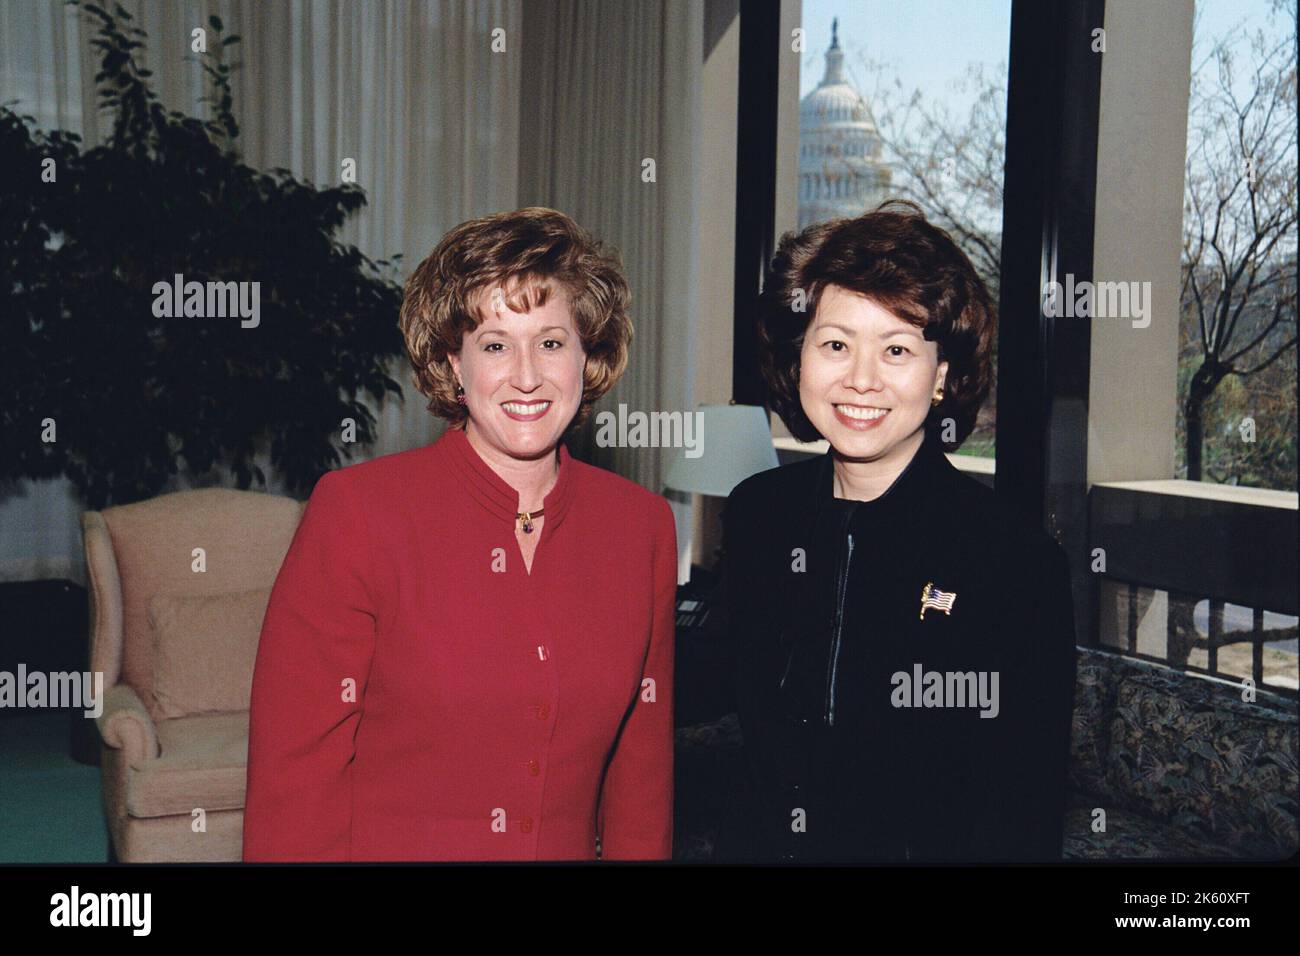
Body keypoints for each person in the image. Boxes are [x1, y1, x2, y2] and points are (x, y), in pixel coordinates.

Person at [243, 207, 676, 861]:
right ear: (454, 362)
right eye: (495, 344)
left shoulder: (640, 526)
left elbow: (641, 781)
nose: (526, 375)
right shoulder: (358, 513)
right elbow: (294, 778)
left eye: (552, 342)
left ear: (588, 357)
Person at [719, 201, 1077, 863]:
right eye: (835, 344)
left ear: (942, 376)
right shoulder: (756, 517)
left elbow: (1022, 816)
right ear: (800, 358)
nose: (860, 379)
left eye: (896, 349)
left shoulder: (1014, 563)